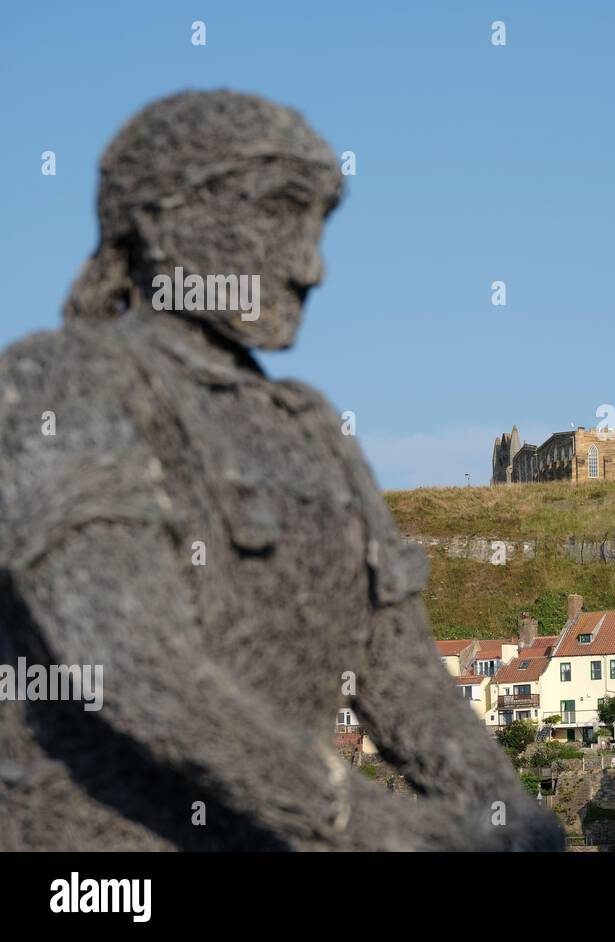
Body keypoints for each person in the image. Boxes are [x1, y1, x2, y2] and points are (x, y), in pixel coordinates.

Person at [0, 91, 562, 851]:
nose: (311, 267)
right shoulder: (65, 382)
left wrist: (515, 824)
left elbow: (400, 676)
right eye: (279, 213)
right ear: (164, 219)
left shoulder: (312, 428)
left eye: (319, 225)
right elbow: (131, 663)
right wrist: (378, 829)